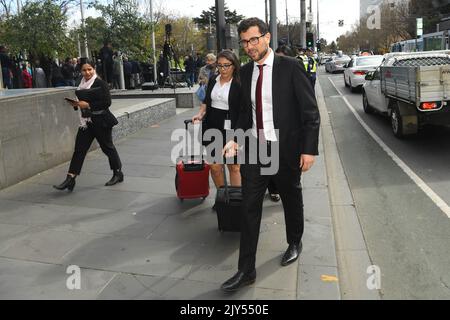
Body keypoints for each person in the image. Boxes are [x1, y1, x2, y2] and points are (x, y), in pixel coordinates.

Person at [220, 17, 320, 292]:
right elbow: (243, 112)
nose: (249, 46)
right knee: (249, 206)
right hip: (256, 149)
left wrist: (309, 150)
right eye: (244, 42)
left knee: (290, 196)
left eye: (253, 39)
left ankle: (294, 241)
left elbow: (310, 112)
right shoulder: (245, 72)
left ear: (266, 37)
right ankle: (246, 270)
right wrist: (235, 140)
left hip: (285, 148)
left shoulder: (291, 67)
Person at [53, 60, 124, 192]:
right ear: (80, 71)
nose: (87, 72)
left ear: (94, 69)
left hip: (101, 121)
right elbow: (82, 103)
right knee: (79, 150)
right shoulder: (80, 85)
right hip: (86, 123)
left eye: (90, 69)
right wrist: (76, 105)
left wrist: (89, 105)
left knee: (107, 148)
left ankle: (117, 172)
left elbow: (107, 102)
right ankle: (70, 178)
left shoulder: (100, 83)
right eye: (84, 70)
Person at [192, 50, 242, 210]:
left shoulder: (240, 83)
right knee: (215, 166)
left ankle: (237, 200)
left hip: (231, 127)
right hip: (212, 124)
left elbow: (244, 110)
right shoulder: (213, 79)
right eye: (219, 65)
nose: (223, 69)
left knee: (233, 166)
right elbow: (206, 101)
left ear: (234, 66)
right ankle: (222, 198)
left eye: (226, 65)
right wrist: (200, 114)